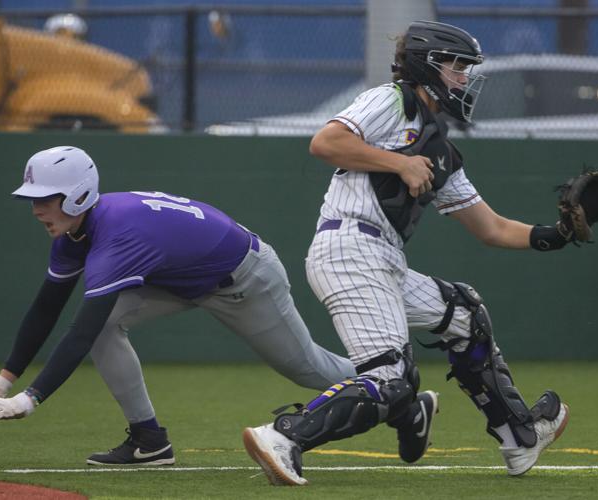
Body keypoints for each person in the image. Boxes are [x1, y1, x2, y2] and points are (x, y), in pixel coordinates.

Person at [242, 21, 572, 486]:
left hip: (383, 258)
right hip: (349, 248)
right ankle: (283, 436)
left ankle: (519, 436)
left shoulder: (440, 148)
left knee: (465, 314)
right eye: (457, 67)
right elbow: (326, 142)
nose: (464, 78)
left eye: (465, 69)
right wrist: (398, 161)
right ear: (427, 65)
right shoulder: (392, 99)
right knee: (390, 380)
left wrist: (554, 234)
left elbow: (492, 228)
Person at [0, 146, 356, 465]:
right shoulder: (74, 233)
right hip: (183, 279)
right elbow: (46, 308)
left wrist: (28, 399)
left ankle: (390, 382)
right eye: (32, 198)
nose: (36, 209)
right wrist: (0, 384)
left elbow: (80, 331)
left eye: (46, 198)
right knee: (106, 326)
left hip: (244, 277)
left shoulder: (116, 237)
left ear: (77, 196)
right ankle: (150, 442)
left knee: (309, 369)